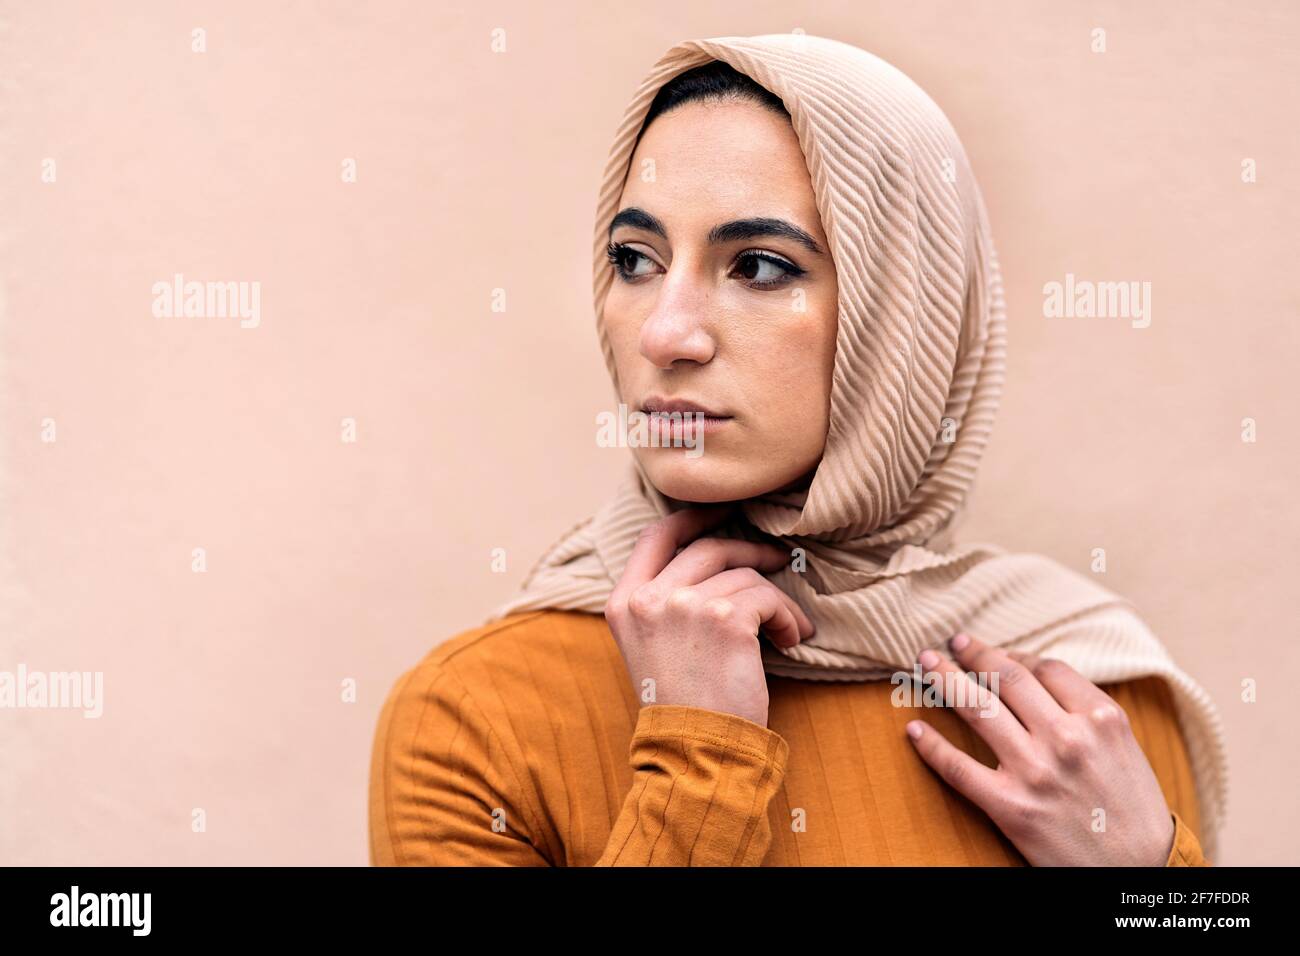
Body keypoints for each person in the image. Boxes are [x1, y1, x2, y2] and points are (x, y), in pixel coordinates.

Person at [368, 33, 1227, 866]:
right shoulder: (478, 715)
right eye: (635, 259)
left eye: (760, 268)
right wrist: (699, 762)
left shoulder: (1082, 697)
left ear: (906, 314)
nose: (666, 332)